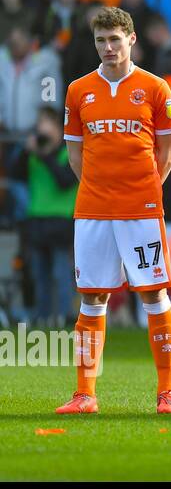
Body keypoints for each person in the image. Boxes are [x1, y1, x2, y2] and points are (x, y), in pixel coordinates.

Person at [57, 7, 171, 415]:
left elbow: (168, 154)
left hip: (141, 207)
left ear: (131, 39)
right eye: (100, 41)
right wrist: (99, 188)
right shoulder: (78, 91)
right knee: (92, 296)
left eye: (115, 39)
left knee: (152, 292)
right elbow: (76, 156)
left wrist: (142, 192)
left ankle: (167, 393)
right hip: (93, 208)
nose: (108, 48)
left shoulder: (156, 88)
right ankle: (85, 394)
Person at [15, 106, 77, 326]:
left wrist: (45, 155)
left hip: (60, 219)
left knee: (61, 272)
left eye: (46, 123)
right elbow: (16, 174)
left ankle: (63, 316)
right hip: (37, 218)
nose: (41, 128)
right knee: (38, 274)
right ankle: (40, 317)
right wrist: (26, 151)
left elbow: (64, 181)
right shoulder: (33, 153)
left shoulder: (68, 153)